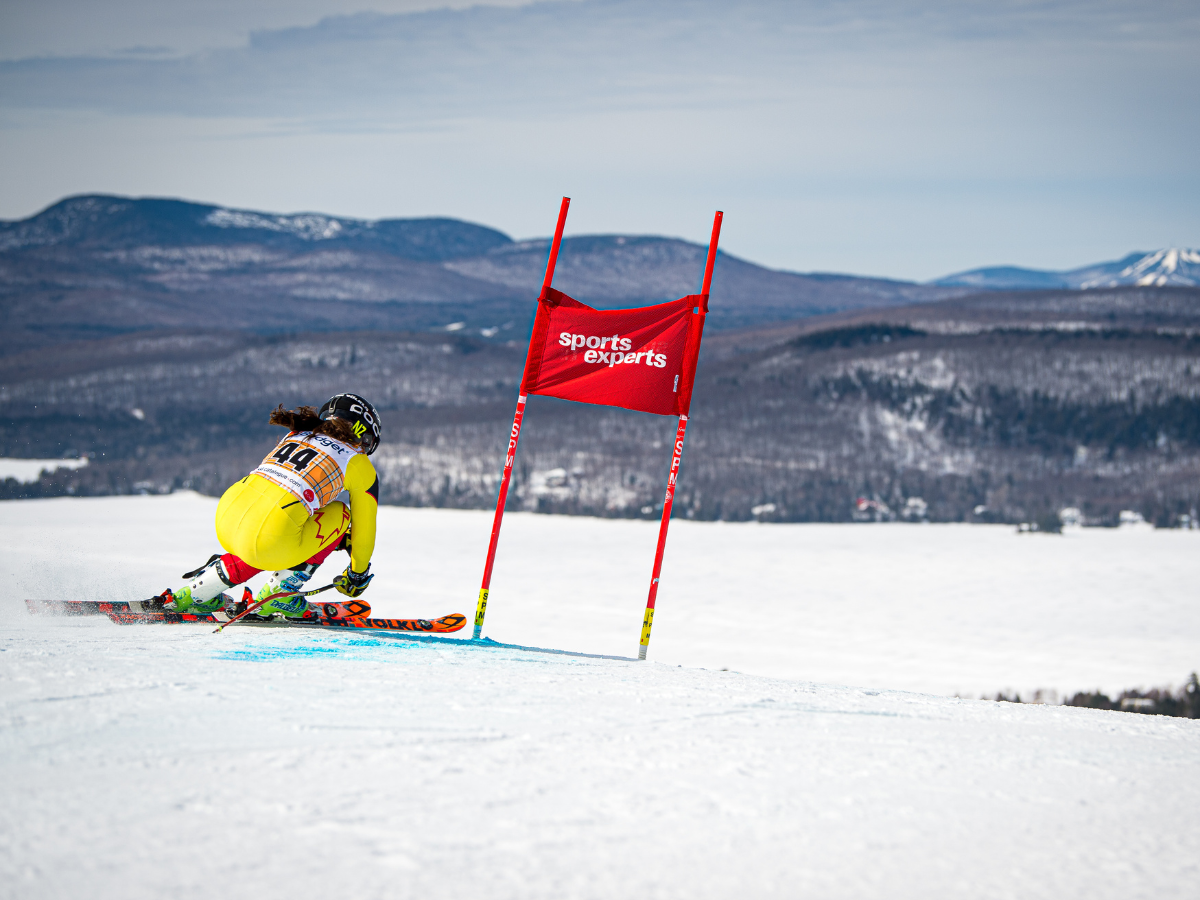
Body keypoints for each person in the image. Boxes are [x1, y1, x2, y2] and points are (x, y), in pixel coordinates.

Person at [153, 393, 382, 619]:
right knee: (339, 514)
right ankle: (280, 597)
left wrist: (335, 539)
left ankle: (196, 594)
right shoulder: (359, 463)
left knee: (264, 537)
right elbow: (364, 532)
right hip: (272, 536)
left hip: (228, 517)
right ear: (363, 435)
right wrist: (357, 575)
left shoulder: (296, 434)